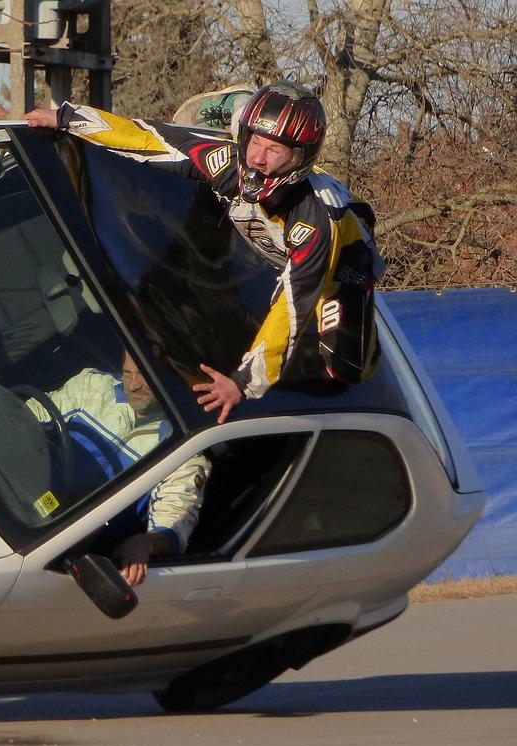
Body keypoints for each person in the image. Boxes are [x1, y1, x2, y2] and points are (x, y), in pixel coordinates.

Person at [24, 81, 383, 423]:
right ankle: (235, 108)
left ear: (299, 160)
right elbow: (150, 138)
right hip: (268, 224)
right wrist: (69, 119)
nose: (258, 158)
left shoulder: (316, 223)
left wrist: (243, 383)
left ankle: (243, 109)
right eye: (255, 141)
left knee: (348, 367)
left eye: (275, 151)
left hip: (345, 260)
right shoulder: (229, 159)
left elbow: (293, 306)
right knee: (202, 178)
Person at [29, 352, 210, 586]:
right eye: (127, 372)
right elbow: (27, 419)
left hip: (61, 552)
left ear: (171, 378)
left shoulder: (185, 453)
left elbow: (176, 522)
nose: (133, 385)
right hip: (17, 502)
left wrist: (146, 543)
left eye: (145, 376)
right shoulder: (92, 385)